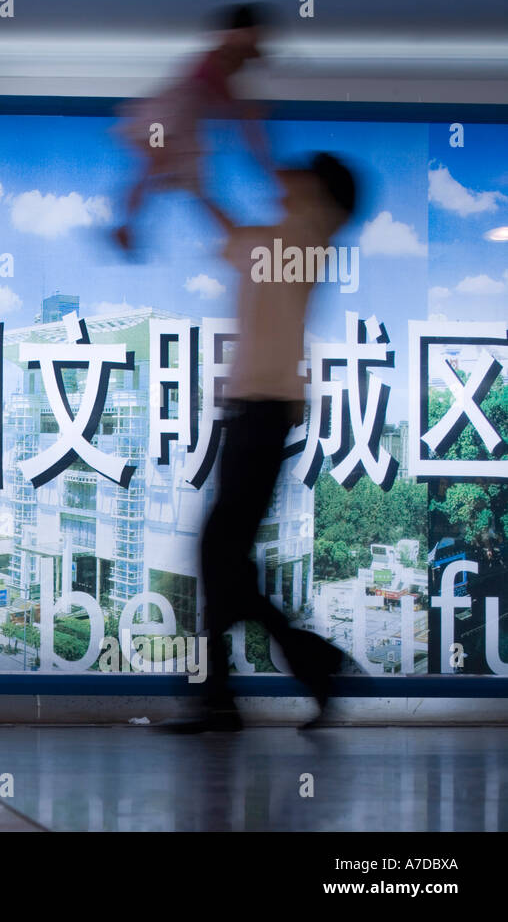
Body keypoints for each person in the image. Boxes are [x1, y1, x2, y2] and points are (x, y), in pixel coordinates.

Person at [173, 152, 360, 733]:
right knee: (225, 562)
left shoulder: (306, 238)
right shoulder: (277, 241)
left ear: (320, 196)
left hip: (264, 415)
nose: (284, 182)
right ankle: (293, 673)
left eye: (299, 178)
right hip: (250, 416)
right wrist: (196, 184)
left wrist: (237, 108)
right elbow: (233, 232)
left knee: (219, 556)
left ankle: (240, 694)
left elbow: (265, 180)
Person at [113, 3, 273, 256]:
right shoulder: (218, 59)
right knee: (161, 166)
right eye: (253, 34)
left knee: (181, 178)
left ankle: (127, 226)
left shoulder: (225, 58)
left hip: (183, 119)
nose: (256, 41)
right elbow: (224, 97)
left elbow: (230, 103)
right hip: (175, 114)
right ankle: (126, 226)